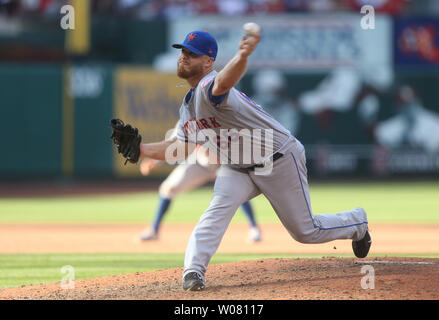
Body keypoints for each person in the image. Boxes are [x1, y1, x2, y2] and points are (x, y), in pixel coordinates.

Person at [138, 30, 371, 291]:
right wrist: (141, 148)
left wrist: (242, 55)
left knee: (306, 232)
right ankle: (193, 270)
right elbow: (179, 148)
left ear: (208, 62)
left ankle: (357, 222)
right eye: (183, 52)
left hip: (279, 159)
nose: (184, 57)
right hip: (237, 168)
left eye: (192, 54)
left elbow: (225, 81)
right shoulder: (189, 105)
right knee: (215, 213)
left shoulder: (210, 85)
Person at [138, 142, 262, 243]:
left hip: (224, 164)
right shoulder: (194, 117)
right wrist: (156, 161)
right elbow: (178, 143)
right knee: (168, 189)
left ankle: (254, 227)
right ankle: (154, 230)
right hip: (200, 163)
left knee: (236, 190)